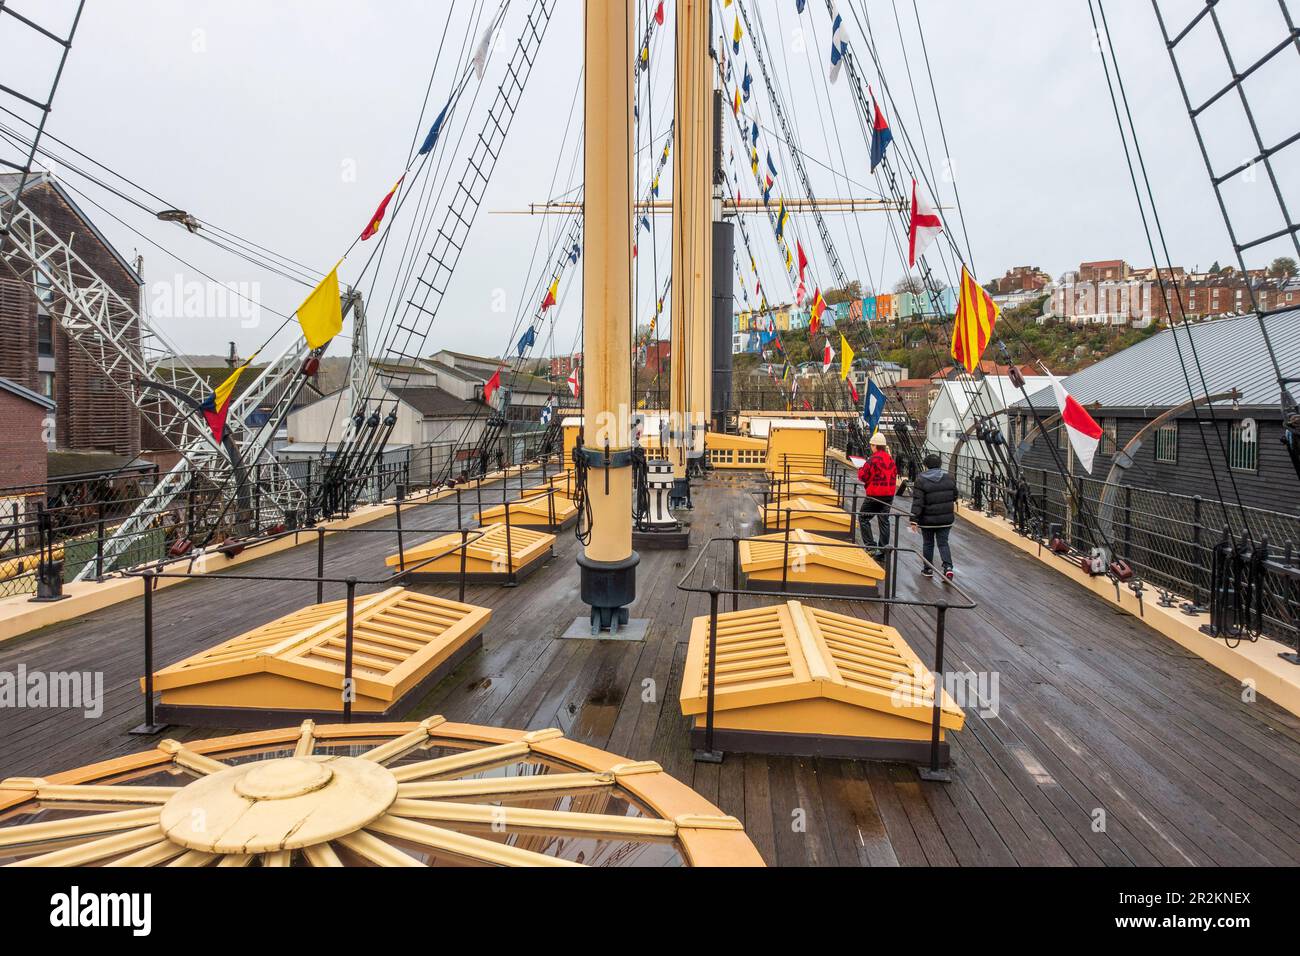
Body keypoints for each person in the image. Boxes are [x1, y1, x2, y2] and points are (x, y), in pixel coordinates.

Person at [909, 453, 957, 580]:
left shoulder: (920, 480)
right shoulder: (949, 478)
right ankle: (948, 568)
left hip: (927, 520)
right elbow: (955, 496)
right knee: (943, 543)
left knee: (928, 543)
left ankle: (928, 569)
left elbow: (918, 503)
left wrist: (913, 520)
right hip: (945, 519)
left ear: (926, 466)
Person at [856, 433, 896, 556]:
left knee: (863, 517)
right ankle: (883, 549)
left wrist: (860, 468)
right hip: (888, 495)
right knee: (884, 521)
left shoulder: (872, 460)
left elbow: (863, 476)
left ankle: (870, 546)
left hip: (875, 494)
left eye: (871, 445)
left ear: (875, 446)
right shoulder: (890, 459)